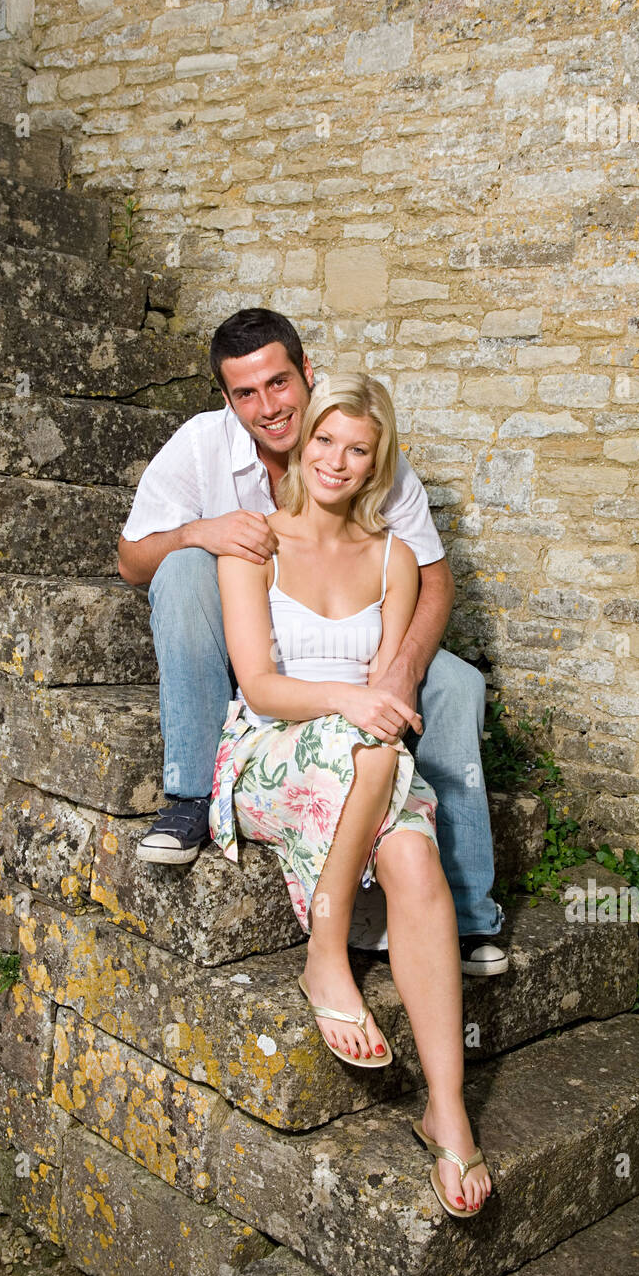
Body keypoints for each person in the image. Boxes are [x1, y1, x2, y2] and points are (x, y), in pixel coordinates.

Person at [117, 307, 506, 976]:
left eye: (278, 383)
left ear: (307, 374)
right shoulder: (200, 445)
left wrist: (399, 673)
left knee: (459, 683)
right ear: (225, 397)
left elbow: (433, 581)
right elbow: (131, 561)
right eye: (245, 392)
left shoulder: (350, 443)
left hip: (355, 643)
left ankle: (469, 911)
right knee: (180, 567)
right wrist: (195, 533)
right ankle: (189, 796)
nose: (267, 407)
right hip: (248, 637)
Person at [208, 370, 493, 1218]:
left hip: (364, 754)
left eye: (357, 449)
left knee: (410, 855)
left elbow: (390, 684)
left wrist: (369, 711)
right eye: (324, 439)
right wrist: (349, 704)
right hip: (269, 753)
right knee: (374, 753)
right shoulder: (252, 542)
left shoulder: (394, 558)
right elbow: (259, 685)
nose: (336, 459)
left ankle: (447, 1111)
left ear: (376, 465)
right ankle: (324, 950)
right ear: (303, 441)